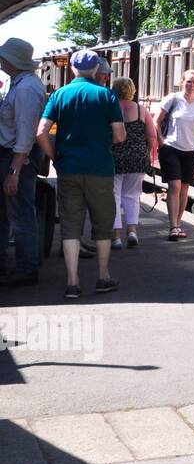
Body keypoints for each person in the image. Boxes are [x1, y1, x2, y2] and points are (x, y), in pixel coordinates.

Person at [35, 49, 125, 299]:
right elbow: (119, 135)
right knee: (103, 223)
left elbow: (41, 132)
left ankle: (72, 282)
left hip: (68, 169)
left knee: (71, 224)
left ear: (73, 69)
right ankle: (102, 276)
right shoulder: (106, 95)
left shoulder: (59, 95)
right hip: (100, 169)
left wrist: (55, 157)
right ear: (96, 69)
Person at [0, 38, 48, 287]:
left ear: (13, 61)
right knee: (10, 213)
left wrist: (14, 171)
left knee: (20, 214)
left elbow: (26, 134)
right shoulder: (16, 83)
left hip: (16, 157)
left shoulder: (27, 88)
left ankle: (26, 268)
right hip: (11, 155)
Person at [155, 68, 194, 241]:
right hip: (171, 148)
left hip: (191, 150)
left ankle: (178, 224)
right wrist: (161, 142)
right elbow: (156, 120)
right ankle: (173, 226)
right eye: (188, 81)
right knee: (175, 186)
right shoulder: (172, 99)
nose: (192, 85)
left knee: (184, 188)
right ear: (182, 82)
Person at [110, 77, 158, 250]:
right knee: (132, 196)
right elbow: (152, 135)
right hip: (137, 159)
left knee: (114, 197)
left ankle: (115, 237)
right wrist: (145, 153)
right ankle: (132, 232)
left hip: (114, 158)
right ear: (132, 90)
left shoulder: (111, 109)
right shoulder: (140, 110)